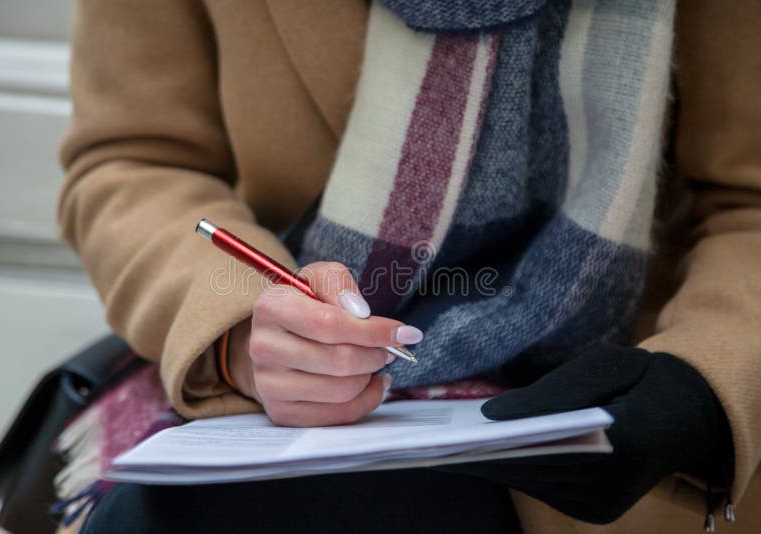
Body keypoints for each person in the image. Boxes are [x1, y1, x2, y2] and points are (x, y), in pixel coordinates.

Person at [57, 0, 761, 532]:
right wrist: (239, 332)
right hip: (273, 400)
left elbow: (747, 199)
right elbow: (135, 159)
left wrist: (698, 384)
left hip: (612, 415)